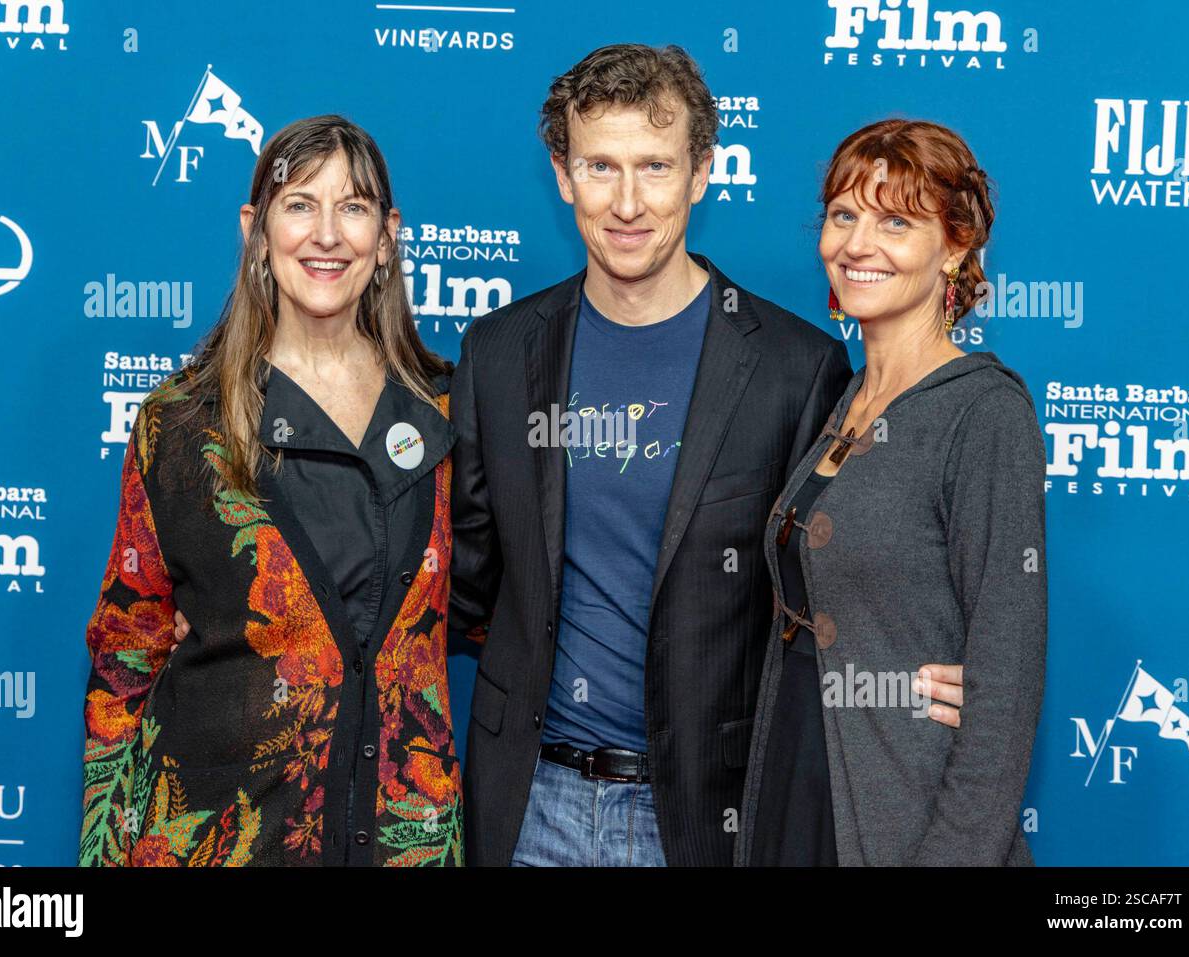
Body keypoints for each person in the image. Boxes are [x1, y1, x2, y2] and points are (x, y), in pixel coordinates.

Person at [448, 45, 965, 867]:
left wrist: (911, 673)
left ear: (701, 172)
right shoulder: (500, 353)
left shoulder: (796, 370)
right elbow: (458, 573)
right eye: (600, 166)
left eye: (655, 166)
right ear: (562, 174)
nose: (626, 202)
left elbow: (824, 579)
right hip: (527, 806)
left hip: (701, 813)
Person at [79, 115, 465, 867]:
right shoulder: (182, 423)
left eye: (353, 207)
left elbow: (501, 598)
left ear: (387, 237)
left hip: (400, 838)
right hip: (220, 839)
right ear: (256, 229)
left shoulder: (449, 412)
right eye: (300, 204)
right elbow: (126, 647)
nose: (327, 233)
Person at [736, 119, 1047, 867]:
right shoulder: (843, 399)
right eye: (844, 215)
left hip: (905, 806)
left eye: (896, 222)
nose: (857, 244)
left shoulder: (984, 412)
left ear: (957, 246)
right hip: (798, 779)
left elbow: (1004, 682)